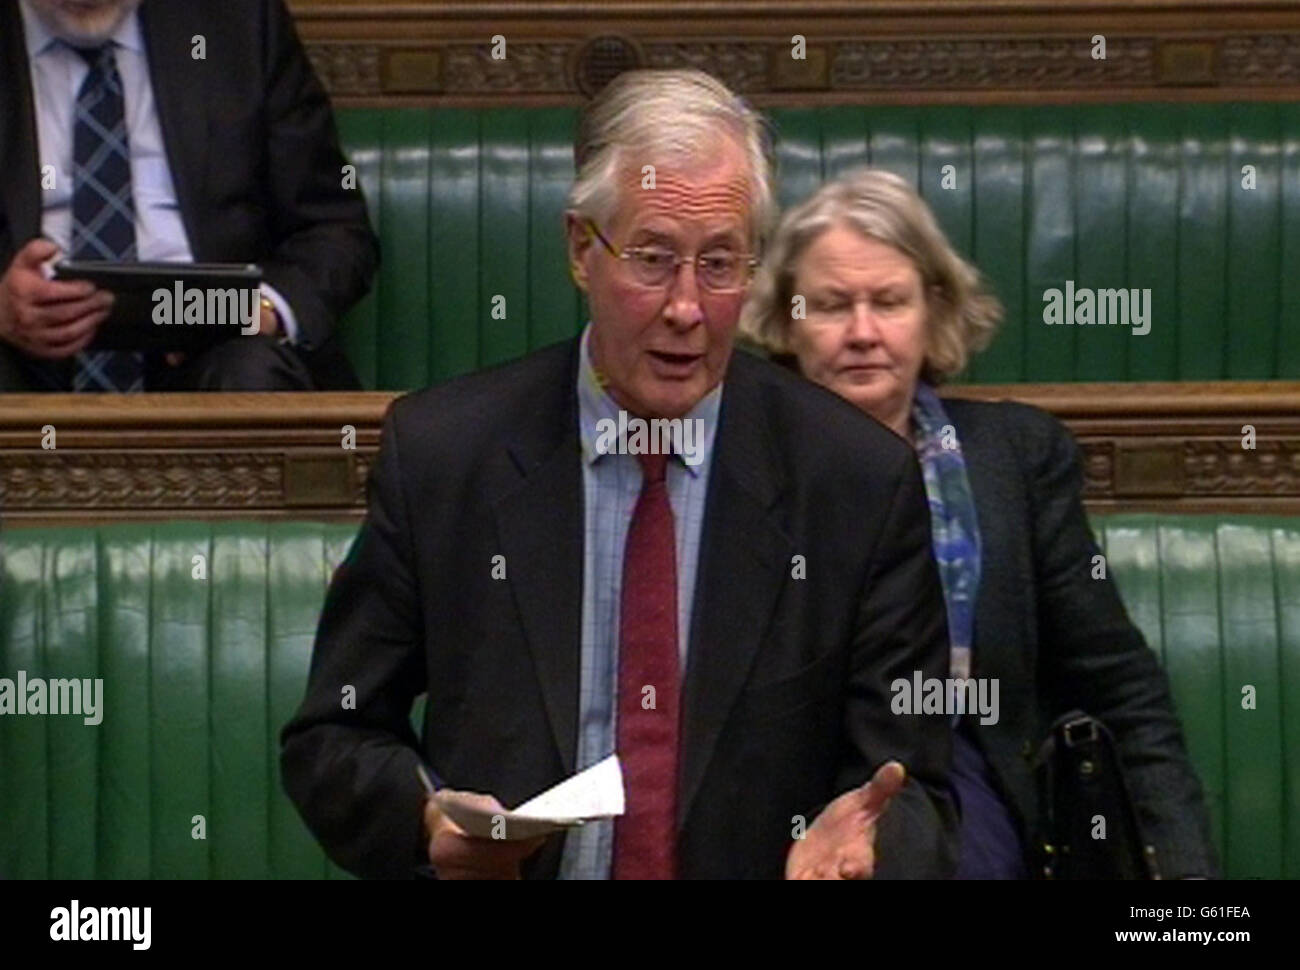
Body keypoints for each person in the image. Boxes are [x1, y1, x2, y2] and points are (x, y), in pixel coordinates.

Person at [281, 70, 958, 880]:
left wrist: (869, 851)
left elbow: (915, 788)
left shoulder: (855, 481)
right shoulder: (445, 455)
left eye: (719, 264)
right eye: (652, 258)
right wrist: (425, 820)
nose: (684, 307)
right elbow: (334, 736)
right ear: (580, 248)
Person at [740, 167, 1218, 879]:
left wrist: (1185, 893)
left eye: (890, 302)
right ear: (784, 321)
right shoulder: (737, 464)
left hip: (958, 775)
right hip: (780, 787)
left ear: (933, 312)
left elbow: (1119, 690)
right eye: (833, 305)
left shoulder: (1013, 460)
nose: (863, 332)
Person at [0, 0, 378, 391]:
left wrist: (252, 312)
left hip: (213, 351)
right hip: (24, 358)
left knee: (249, 374)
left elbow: (335, 228)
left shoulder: (239, 21)